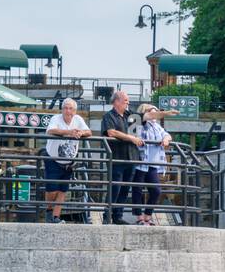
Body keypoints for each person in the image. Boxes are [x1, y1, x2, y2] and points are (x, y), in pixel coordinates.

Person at [43, 98, 91, 223]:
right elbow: (51, 130)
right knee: (52, 189)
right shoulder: (56, 118)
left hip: (68, 162)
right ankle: (48, 210)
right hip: (53, 159)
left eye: (70, 108)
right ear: (62, 109)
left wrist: (80, 132)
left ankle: (55, 217)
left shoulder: (78, 119)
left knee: (62, 190)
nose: (67, 111)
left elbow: (89, 132)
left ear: (74, 111)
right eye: (65, 108)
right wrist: (69, 132)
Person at [101, 90, 143, 225]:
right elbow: (111, 132)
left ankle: (118, 216)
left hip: (131, 157)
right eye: (126, 101)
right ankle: (107, 215)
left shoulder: (130, 115)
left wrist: (133, 136)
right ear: (117, 101)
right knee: (115, 188)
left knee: (125, 189)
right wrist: (130, 137)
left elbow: (136, 133)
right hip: (117, 159)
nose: (128, 103)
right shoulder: (109, 116)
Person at [135, 104, 175, 225]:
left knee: (156, 191)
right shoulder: (138, 121)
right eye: (153, 112)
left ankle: (147, 215)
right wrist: (166, 113)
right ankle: (139, 217)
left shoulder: (157, 126)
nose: (156, 114)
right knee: (137, 190)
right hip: (140, 162)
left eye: (157, 112)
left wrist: (166, 139)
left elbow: (167, 135)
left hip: (152, 163)